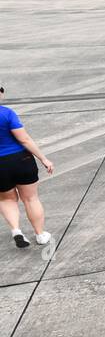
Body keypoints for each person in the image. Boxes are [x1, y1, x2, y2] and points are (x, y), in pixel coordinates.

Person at [0, 82, 55, 249]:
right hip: (21, 160)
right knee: (31, 198)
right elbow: (24, 139)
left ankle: (16, 230)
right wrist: (43, 159)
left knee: (7, 199)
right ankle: (40, 234)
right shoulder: (7, 113)